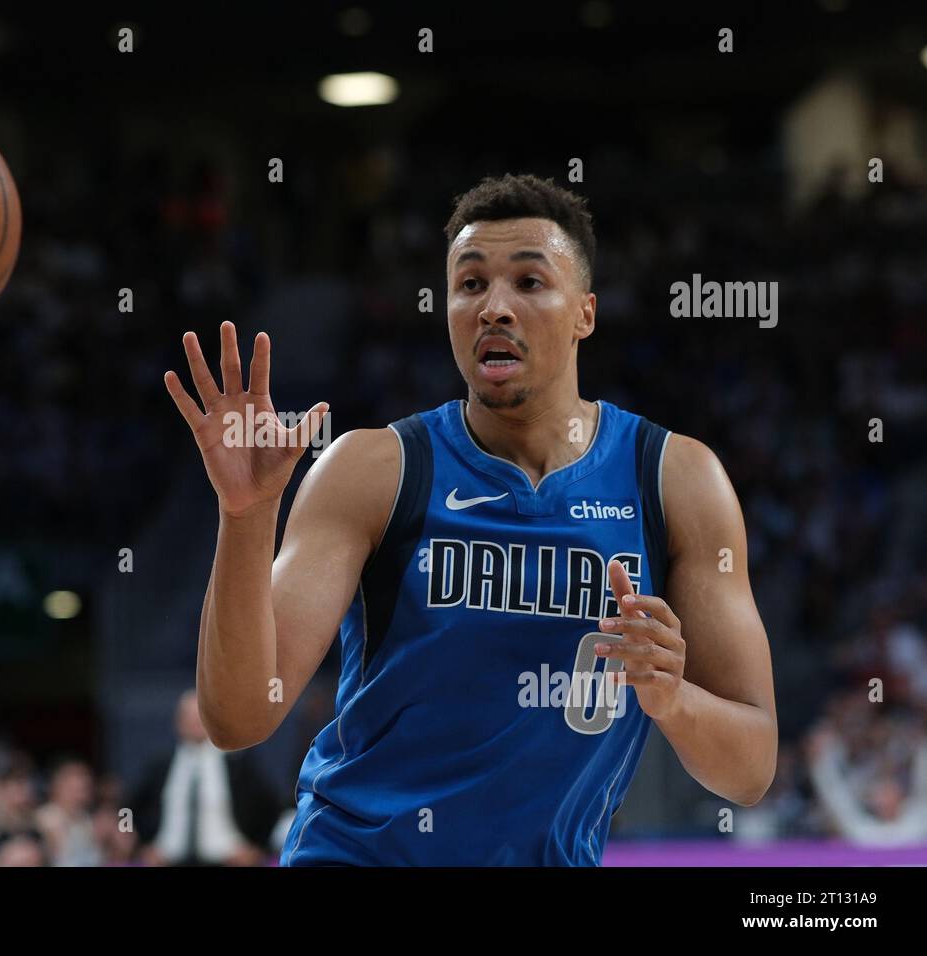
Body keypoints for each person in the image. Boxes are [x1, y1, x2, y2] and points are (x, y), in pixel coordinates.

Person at [164, 173, 778, 865]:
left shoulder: (676, 480)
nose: (495, 307)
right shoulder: (373, 469)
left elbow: (751, 768)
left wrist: (673, 700)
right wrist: (246, 517)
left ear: (585, 312)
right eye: (471, 284)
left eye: (529, 282)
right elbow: (238, 718)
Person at [130, 690, 280, 866]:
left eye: (200, 715)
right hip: (168, 859)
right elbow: (128, 810)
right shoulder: (160, 765)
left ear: (213, 719)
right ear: (177, 722)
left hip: (227, 859)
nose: (194, 722)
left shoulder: (237, 762)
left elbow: (273, 807)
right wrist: (141, 847)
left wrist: (257, 849)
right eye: (188, 716)